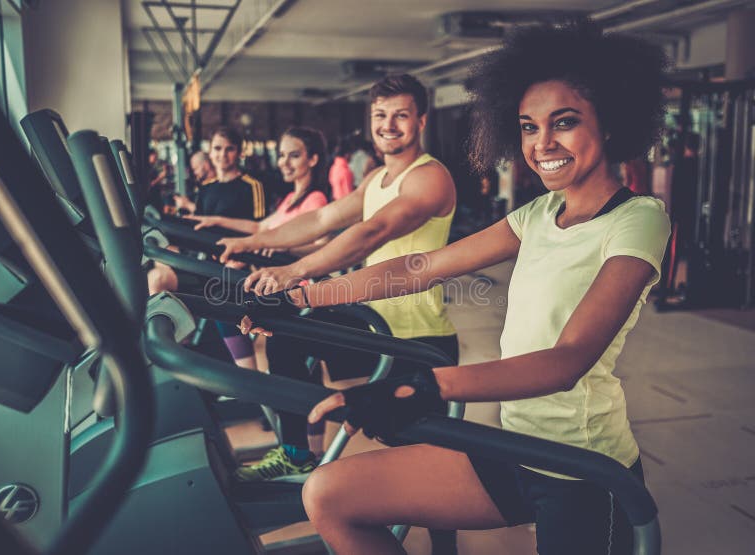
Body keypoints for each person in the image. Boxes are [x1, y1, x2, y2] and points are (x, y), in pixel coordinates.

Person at [244, 20, 671, 554]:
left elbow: (568, 361)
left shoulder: (637, 219)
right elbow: (419, 267)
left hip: (582, 467)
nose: (543, 144)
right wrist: (301, 296)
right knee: (330, 493)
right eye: (528, 127)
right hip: (515, 447)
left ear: (608, 123)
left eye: (564, 123)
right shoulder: (538, 213)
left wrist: (429, 386)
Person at [220, 74, 458, 490]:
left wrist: (296, 272)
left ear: (421, 120)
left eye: (400, 115)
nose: (388, 124)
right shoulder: (375, 180)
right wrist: (250, 241)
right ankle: (298, 453)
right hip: (375, 326)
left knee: (424, 464)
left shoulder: (429, 177)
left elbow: (374, 231)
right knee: (286, 334)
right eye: (380, 115)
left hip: (417, 340)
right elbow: (319, 220)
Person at [147, 128, 265, 369]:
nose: (223, 155)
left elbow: (262, 230)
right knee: (158, 277)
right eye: (218, 149)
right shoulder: (207, 188)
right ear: (210, 152)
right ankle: (173, 354)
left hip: (238, 268)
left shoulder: (251, 185)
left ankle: (248, 375)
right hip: (207, 266)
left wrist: (241, 259)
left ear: (239, 152)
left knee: (222, 301)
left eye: (229, 149)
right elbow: (197, 229)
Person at [188, 127, 329, 237]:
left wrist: (279, 247)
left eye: (294, 156)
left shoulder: (315, 199)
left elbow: (320, 246)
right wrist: (216, 221)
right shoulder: (290, 199)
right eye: (282, 155)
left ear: (312, 160)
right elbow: (259, 228)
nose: (283, 163)